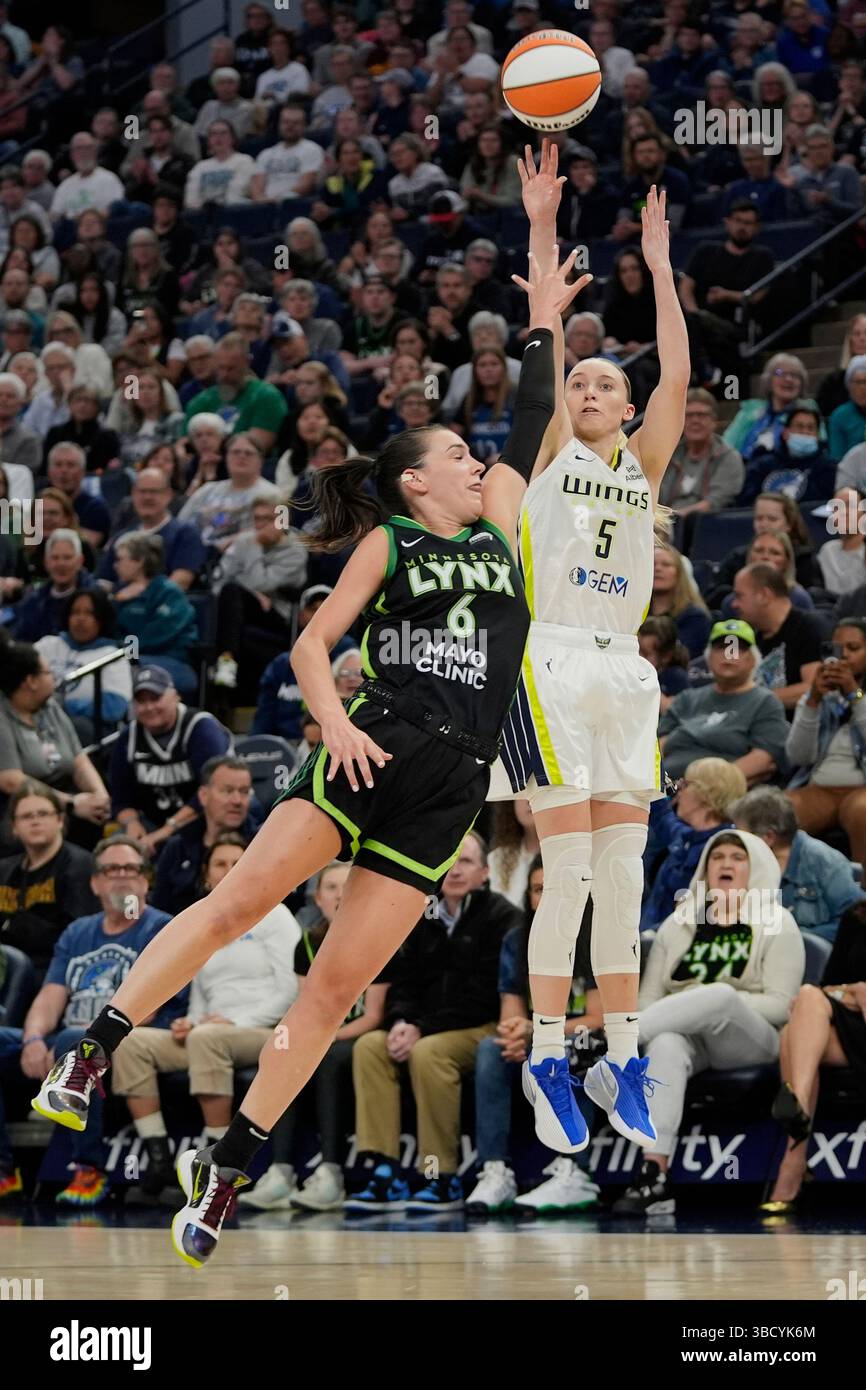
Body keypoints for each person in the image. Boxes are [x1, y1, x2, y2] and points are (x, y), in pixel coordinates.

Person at [30, 239, 585, 1266]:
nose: (474, 460)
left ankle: (231, 1167)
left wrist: (543, 294)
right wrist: (329, 718)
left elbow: (529, 415)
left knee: (330, 993)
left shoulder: (501, 528)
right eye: (454, 454)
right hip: (370, 742)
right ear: (415, 482)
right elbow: (309, 646)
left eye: (473, 453)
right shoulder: (394, 542)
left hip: (451, 781)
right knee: (239, 901)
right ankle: (93, 1053)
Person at [612, 830, 804, 1216]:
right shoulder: (676, 924)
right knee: (664, 1041)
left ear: (755, 869)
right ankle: (655, 1172)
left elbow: (782, 1006)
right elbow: (649, 999)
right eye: (718, 857)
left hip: (751, 1037)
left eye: (737, 857)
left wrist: (713, 1004)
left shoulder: (778, 922)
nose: (726, 864)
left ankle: (611, 1044)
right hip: (689, 1037)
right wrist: (689, 1009)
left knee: (719, 995)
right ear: (705, 868)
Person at [113, 832, 299, 1198]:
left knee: (207, 1039)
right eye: (220, 864)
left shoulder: (275, 914)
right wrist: (192, 1021)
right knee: (131, 1043)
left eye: (238, 862)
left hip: (264, 1031)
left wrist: (234, 1023)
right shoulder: (205, 919)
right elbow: (199, 990)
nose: (230, 870)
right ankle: (161, 1160)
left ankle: (217, 1168)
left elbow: (291, 990)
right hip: (209, 1033)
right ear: (206, 875)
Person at [346, 831, 520, 1212]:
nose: (456, 870)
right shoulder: (421, 912)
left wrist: (421, 1027)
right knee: (370, 1047)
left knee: (429, 1053)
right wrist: (400, 1022)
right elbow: (404, 980)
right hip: (425, 1026)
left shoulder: (503, 917)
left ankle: (439, 1176)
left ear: (485, 872)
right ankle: (384, 1171)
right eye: (450, 860)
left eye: (467, 862)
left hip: (484, 1024)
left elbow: (485, 996)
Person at [16, 836, 176, 1207]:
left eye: (131, 869)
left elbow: (152, 1003)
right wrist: (34, 1040)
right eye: (110, 870)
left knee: (77, 1040)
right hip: (67, 1036)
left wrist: (77, 1039)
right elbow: (51, 995)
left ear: (146, 880)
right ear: (95, 883)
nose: (121, 878)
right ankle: (6, 1169)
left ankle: (88, 1168)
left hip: (131, 1039)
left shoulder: (162, 927)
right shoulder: (78, 932)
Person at [239, 860, 385, 1213]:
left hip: (363, 1034)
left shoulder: (379, 935)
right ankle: (280, 1171)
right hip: (327, 1034)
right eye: (330, 888)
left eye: (346, 886)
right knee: (285, 1056)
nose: (339, 894)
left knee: (326, 1058)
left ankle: (331, 1172)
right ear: (317, 898)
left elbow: (374, 1016)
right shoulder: (307, 942)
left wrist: (326, 1039)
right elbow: (309, 1008)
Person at [465, 854, 603, 1217]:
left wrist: (540, 1032)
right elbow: (511, 1018)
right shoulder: (517, 939)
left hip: (589, 1039)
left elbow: (599, 1018)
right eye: (539, 890)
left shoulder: (594, 937)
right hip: (539, 1037)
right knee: (490, 1050)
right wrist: (519, 1034)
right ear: (528, 897)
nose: (546, 898)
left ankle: (576, 1170)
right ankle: (495, 1171)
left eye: (555, 890)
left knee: (573, 1047)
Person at [759, 898, 866, 1213]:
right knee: (807, 998)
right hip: (853, 1025)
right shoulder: (857, 917)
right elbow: (828, 985)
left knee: (792, 1035)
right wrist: (855, 991)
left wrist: (852, 992)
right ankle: (800, 1106)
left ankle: (794, 1154)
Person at [110, 666, 232, 851]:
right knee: (121, 844)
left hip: (203, 819)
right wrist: (132, 823)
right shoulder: (129, 737)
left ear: (175, 696)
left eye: (155, 698)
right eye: (141, 701)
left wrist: (167, 830)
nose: (149, 707)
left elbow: (212, 789)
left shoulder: (201, 728)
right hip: (152, 822)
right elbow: (120, 800)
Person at [658, 619, 791, 784]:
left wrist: (703, 784)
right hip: (663, 787)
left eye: (739, 648)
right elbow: (658, 746)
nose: (730, 654)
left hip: (720, 792)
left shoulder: (765, 702)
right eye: (722, 647)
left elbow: (764, 760)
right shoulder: (687, 699)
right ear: (708, 657)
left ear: (753, 660)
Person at [0, 640, 110, 838]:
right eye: (48, 672)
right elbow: (10, 781)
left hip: (66, 796)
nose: (53, 678)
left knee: (94, 818)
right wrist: (70, 803)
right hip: (20, 807)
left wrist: (99, 795)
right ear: (30, 681)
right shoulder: (2, 715)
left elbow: (79, 760)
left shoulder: (49, 707)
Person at [732, 786, 864, 943]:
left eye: (742, 833)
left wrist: (797, 938)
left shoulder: (824, 862)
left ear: (768, 837)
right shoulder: (741, 863)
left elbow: (855, 924)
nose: (737, 841)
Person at [785, 617, 866, 870]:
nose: (844, 657)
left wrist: (854, 695)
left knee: (863, 811)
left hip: (861, 790)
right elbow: (798, 756)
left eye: (853, 649)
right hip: (819, 789)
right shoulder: (818, 695)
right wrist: (812, 701)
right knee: (775, 811)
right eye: (837, 649)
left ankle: (861, 902)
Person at [0, 780, 97, 986]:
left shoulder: (79, 865)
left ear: (60, 820)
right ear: (14, 826)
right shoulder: (5, 870)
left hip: (54, 970)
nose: (35, 821)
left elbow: (79, 934)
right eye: (26, 816)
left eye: (43, 814)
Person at [211, 497, 308, 696]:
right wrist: (255, 593)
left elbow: (261, 582)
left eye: (268, 518)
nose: (261, 525)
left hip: (277, 616)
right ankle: (227, 661)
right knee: (230, 595)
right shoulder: (243, 542)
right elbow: (217, 582)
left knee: (233, 592)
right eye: (257, 519)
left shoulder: (296, 549)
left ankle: (226, 662)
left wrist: (255, 545)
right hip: (242, 612)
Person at [641, 758, 747, 933]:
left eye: (685, 785)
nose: (679, 792)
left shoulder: (723, 851)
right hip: (648, 940)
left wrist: (653, 938)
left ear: (706, 793)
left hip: (673, 944)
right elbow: (661, 812)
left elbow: (700, 915)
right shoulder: (688, 837)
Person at [111, 533, 198, 696]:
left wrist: (123, 651)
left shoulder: (169, 592)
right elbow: (110, 631)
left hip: (170, 661)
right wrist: (116, 603)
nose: (115, 565)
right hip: (129, 658)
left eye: (120, 559)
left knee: (121, 672)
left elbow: (159, 634)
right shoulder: (119, 594)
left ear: (139, 561)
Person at [36, 587, 132, 731]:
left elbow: (115, 706)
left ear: (101, 619)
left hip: (86, 728)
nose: (81, 618)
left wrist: (66, 705)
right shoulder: (47, 645)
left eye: (89, 613)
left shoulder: (113, 656)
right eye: (75, 612)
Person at [97, 469, 206, 593]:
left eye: (154, 492)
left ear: (168, 495)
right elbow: (104, 583)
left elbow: (181, 582)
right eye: (142, 491)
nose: (147, 497)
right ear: (133, 494)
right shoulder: (121, 538)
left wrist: (139, 595)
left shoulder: (186, 533)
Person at [732, 562, 823, 710]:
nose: (734, 604)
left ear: (763, 595)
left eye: (739, 596)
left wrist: (751, 700)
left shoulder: (807, 628)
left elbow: (813, 688)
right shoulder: (753, 636)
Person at [658, 390, 745, 518]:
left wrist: (674, 518)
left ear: (714, 421)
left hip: (708, 526)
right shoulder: (669, 455)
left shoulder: (728, 457)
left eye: (702, 415)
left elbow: (716, 501)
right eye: (689, 415)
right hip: (665, 526)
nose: (695, 421)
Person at [648, 544, 712, 658]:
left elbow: (683, 657)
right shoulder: (634, 613)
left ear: (679, 573)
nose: (657, 568)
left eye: (666, 565)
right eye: (652, 564)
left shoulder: (695, 617)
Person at [488, 800, 540, 907]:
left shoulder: (571, 855)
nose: (529, 800)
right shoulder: (496, 859)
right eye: (522, 792)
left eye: (537, 788)